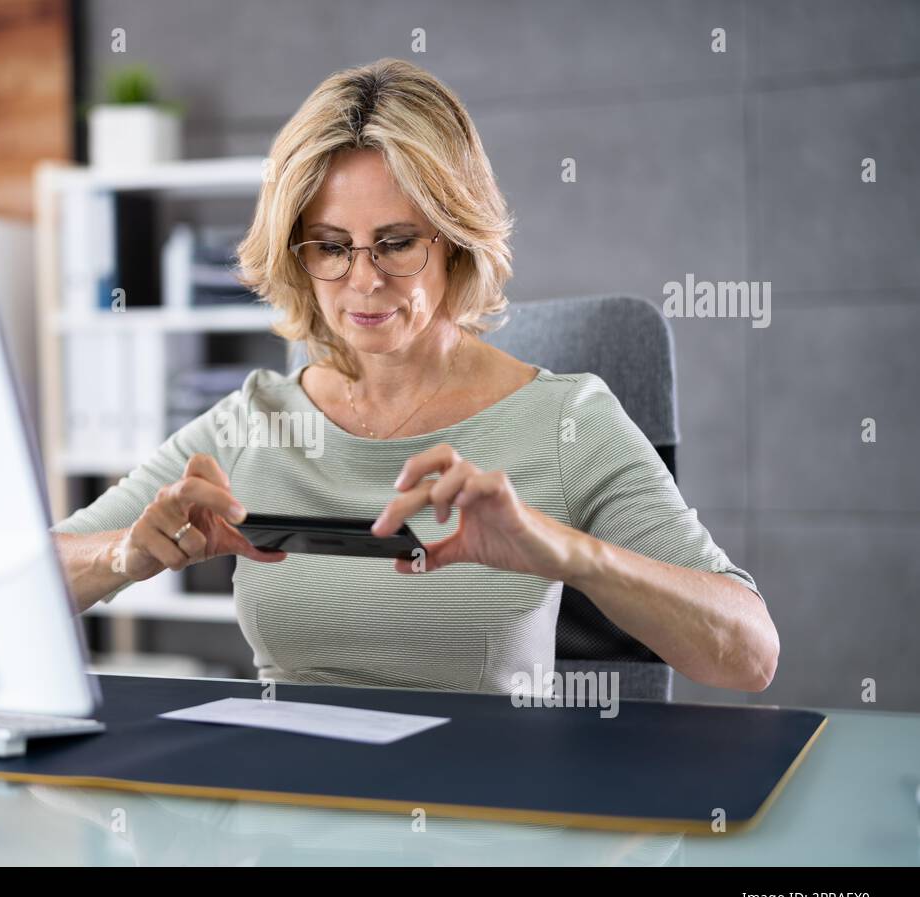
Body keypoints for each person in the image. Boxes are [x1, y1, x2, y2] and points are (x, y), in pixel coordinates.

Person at [53, 58, 778, 694]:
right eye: (331, 247)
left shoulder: (565, 421)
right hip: (292, 817)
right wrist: (123, 554)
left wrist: (571, 554)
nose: (362, 280)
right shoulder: (255, 422)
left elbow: (749, 653)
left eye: (395, 243)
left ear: (458, 243)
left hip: (480, 819)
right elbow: (33, 578)